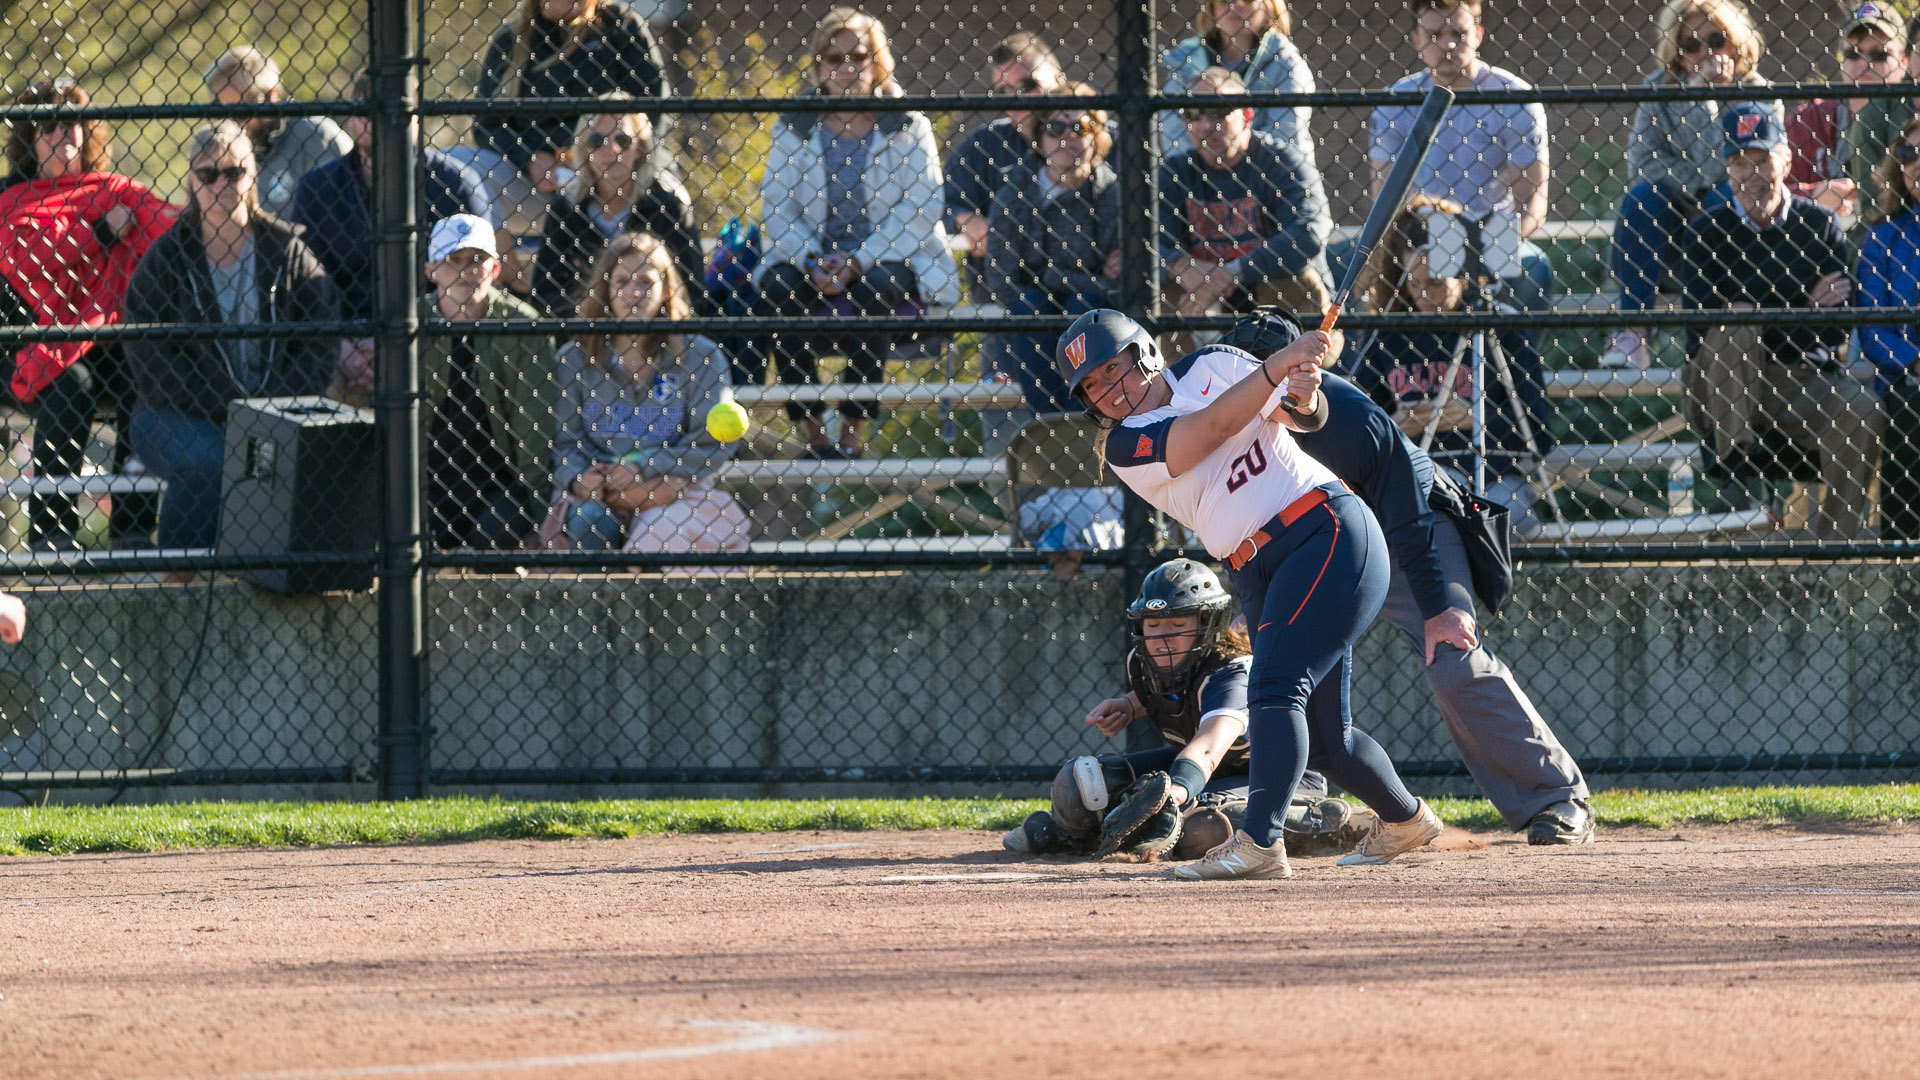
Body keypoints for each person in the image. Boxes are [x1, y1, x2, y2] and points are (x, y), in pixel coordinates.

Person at [1054, 309, 1445, 880]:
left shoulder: (1216, 363)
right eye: (1092, 385)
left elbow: (1302, 417)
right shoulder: (1124, 444)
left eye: (1114, 370)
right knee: (1325, 739)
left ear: (1144, 354)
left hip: (1324, 529)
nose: (1108, 392)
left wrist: (1303, 392)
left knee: (1273, 687)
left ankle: (1259, 843)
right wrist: (1274, 370)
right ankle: (1407, 819)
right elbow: (1204, 432)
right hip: (1256, 566)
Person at [1222, 307, 1592, 844]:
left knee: (1450, 657)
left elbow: (1408, 515)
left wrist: (1439, 608)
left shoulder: (1349, 416)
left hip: (1410, 533)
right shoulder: (1238, 430)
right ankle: (1331, 805)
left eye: (1270, 368)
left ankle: (1556, 797)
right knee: (1288, 673)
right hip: (1325, 544)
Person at [1003, 558, 1364, 860]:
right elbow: (1178, 694)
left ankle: (1329, 823)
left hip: (1276, 775)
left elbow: (1208, 745)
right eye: (1154, 625)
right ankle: (1077, 836)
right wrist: (1130, 705)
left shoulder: (1231, 673)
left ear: (1207, 625)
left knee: (1198, 828)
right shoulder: (1142, 664)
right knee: (1080, 782)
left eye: (1178, 625)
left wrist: (1172, 794)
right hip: (1211, 772)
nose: (1162, 639)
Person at [751, 7, 958, 459]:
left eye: (858, 56)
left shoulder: (909, 125)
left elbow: (921, 209)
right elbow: (778, 207)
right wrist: (811, 258)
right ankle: (812, 431)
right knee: (777, 288)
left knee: (878, 287)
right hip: (809, 256)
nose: (845, 68)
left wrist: (858, 260)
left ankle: (852, 426)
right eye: (832, 58)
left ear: (878, 62)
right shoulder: (792, 127)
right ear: (818, 67)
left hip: (891, 257)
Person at [123, 122, 339, 551]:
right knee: (212, 462)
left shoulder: (286, 250)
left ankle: (260, 569)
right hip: (175, 414)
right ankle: (179, 573)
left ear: (253, 176)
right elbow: (150, 356)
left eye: (234, 172)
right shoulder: (169, 256)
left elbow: (321, 340)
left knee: (285, 458)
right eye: (207, 173)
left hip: (274, 411)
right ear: (191, 181)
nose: (221, 183)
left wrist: (270, 408)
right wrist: (230, 412)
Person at [1680, 104, 1883, 539]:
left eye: (1762, 160)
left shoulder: (1820, 224)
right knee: (1733, 333)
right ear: (1725, 168)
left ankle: (1835, 544)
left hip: (1798, 379)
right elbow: (1700, 331)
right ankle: (1735, 474)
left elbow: (1836, 326)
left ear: (1786, 160)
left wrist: (1756, 311)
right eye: (1738, 162)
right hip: (1720, 383)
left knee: (1862, 407)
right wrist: (1803, 308)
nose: (1751, 174)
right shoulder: (1705, 232)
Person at [0, 77, 175, 550]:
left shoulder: (112, 187)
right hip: (21, 342)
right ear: (29, 140)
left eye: (75, 124)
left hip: (102, 338)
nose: (65, 135)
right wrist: (99, 232)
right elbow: (30, 255)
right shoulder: (11, 197)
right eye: (50, 126)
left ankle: (133, 529)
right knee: (71, 387)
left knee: (146, 374)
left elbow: (167, 225)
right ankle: (50, 533)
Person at [1346, 197, 1554, 536]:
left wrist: (1475, 417)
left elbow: (1539, 434)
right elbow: (1357, 423)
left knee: (1503, 518)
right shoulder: (1389, 332)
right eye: (1414, 283)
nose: (1423, 295)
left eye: (1437, 284)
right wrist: (1395, 428)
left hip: (1493, 473)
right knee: (1429, 513)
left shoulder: (1501, 327)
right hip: (1419, 471)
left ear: (1463, 274)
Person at [289, 68, 491, 404]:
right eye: (364, 110)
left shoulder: (454, 184)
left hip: (433, 338)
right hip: (343, 340)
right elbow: (305, 283)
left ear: (415, 115)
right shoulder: (318, 187)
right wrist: (342, 346)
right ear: (351, 119)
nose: (378, 121)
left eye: (394, 110)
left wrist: (407, 344)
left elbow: (478, 274)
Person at [1603, 0, 1778, 369]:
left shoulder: (1756, 94)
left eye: (1716, 40)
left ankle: (1705, 343)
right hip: (1669, 231)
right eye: (1691, 46)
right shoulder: (1658, 89)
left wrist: (1717, 103)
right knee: (1642, 196)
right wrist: (1698, 100)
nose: (1707, 53)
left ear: (1736, 43)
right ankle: (1633, 331)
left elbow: (1748, 172)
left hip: (1731, 229)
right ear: (1677, 56)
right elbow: (1641, 164)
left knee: (1725, 194)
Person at [551, 231, 747, 554]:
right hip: (599, 492)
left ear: (666, 289)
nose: (634, 292)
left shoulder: (702, 356)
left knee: (661, 536)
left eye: (646, 281)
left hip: (676, 486)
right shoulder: (573, 359)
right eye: (622, 281)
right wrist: (579, 478)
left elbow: (712, 443)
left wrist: (645, 467)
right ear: (605, 290)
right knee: (588, 522)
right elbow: (563, 442)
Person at [1368, 0, 1551, 316]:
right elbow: (1384, 197)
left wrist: (1478, 251)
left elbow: (1532, 205)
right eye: (1435, 34)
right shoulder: (1395, 102)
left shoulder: (1515, 98)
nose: (1448, 43)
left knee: (1536, 268)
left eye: (1459, 33)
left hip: (1492, 234)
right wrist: (1425, 246)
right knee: (1344, 258)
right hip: (1418, 235)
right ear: (1416, 40)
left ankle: (1515, 364)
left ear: (1478, 35)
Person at [1157, 67, 1331, 356]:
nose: (1203, 125)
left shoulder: (1280, 161)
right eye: (1191, 114)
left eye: (1216, 111)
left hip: (1269, 300)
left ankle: (1291, 381)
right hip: (1203, 302)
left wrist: (1234, 272)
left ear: (1247, 115)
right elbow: (1141, 240)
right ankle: (1178, 391)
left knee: (1299, 281)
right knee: (1160, 289)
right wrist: (1179, 266)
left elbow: (1310, 232)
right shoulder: (1176, 172)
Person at [983, 84, 1120, 420]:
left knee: (1083, 307)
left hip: (1095, 310)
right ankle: (1052, 425)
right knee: (1032, 307)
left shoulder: (1113, 192)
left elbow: (1121, 285)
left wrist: (1053, 276)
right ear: (1038, 138)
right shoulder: (1014, 194)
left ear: (1097, 136)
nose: (1067, 138)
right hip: (1033, 315)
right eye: (1055, 128)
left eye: (1081, 128)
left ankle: (1085, 421)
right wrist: (1085, 277)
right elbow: (1001, 281)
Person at [419, 214, 555, 551]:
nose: (467, 270)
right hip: (428, 481)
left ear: (495, 270)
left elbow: (534, 432)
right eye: (454, 260)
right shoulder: (409, 324)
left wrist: (540, 515)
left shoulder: (525, 329)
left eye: (478, 260)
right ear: (431, 270)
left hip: (499, 484)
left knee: (494, 535)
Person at [529, 96, 701, 318]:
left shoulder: (667, 208)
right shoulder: (566, 208)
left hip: (654, 335)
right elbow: (544, 294)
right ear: (583, 146)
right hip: (584, 336)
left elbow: (692, 294)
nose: (610, 149)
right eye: (596, 140)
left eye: (623, 140)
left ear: (640, 149)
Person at [474, 0, 668, 195]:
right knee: (455, 162)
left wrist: (609, 159)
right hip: (534, 184)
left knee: (675, 199)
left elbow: (657, 108)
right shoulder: (510, 39)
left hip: (614, 178)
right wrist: (528, 159)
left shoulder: (619, 24)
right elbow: (486, 126)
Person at [941, 33, 1065, 293]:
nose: (1015, 99)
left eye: (1027, 85)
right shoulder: (985, 144)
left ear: (1059, 80)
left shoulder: (1097, 137)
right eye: (1004, 91)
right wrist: (963, 219)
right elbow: (937, 200)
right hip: (1006, 285)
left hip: (1083, 281)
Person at [1857, 115, 1920, 539]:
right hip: (1906, 378)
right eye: (1908, 154)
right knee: (1912, 407)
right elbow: (1872, 330)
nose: (1916, 163)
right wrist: (1914, 363)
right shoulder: (1883, 237)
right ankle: (1902, 554)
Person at [1786, 4, 1907, 218]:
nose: (1865, 63)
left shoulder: (1912, 123)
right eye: (1853, 53)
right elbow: (1769, 190)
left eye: (1879, 55)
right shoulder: (1808, 120)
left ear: (1903, 62)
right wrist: (1812, 196)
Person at [201, 46, 353, 216]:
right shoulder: (225, 150)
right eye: (221, 112)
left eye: (241, 113)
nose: (233, 125)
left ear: (271, 96)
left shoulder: (317, 137)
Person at [1159, 0, 1315, 165]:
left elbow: (1286, 136)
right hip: (1197, 180)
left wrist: (1234, 160)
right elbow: (1173, 135)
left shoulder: (1287, 62)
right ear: (1211, 7)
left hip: (1267, 177)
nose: (1233, 5)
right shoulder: (1186, 59)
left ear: (1268, 7)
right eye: (1223, 0)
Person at [1847, 10, 1920, 210]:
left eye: (1879, 54)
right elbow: (1873, 211)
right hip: (1899, 233)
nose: (1864, 64)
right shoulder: (1873, 118)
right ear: (1908, 56)